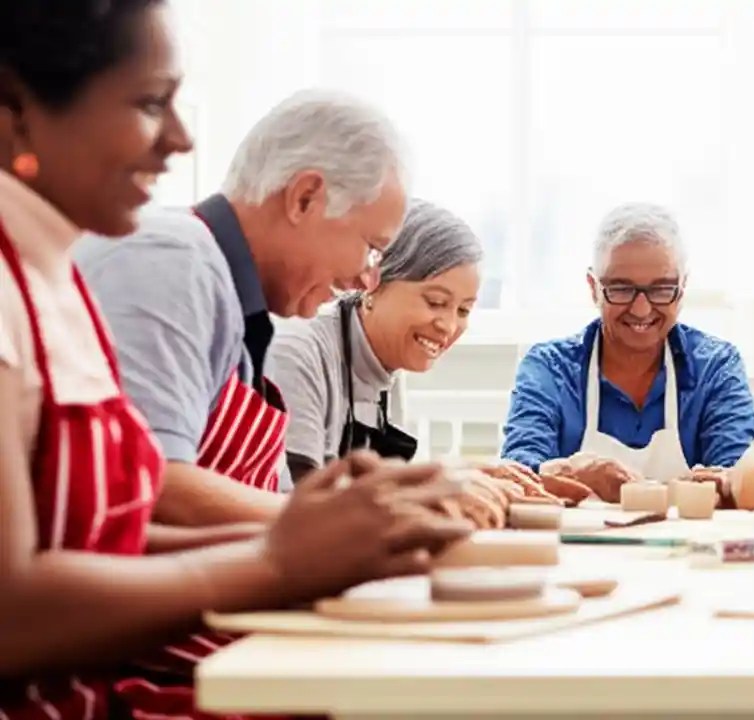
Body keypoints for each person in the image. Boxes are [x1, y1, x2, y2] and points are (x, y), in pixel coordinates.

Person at [0, 4, 471, 720]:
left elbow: (108, 532)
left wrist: (326, 536)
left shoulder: (52, 278)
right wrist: (278, 557)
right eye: (151, 104)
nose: (181, 142)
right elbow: (15, 609)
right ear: (15, 111)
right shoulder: (152, 262)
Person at [74, 88, 408, 521]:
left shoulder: (231, 297)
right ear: (305, 197)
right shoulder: (172, 261)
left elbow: (275, 501)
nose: (367, 279)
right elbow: (153, 483)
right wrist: (359, 517)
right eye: (371, 248)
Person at [500, 202, 754, 502]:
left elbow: (739, 477)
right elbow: (518, 477)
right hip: (578, 547)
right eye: (621, 289)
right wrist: (570, 474)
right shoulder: (548, 368)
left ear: (683, 287)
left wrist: (727, 482)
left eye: (662, 289)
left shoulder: (715, 367)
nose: (641, 309)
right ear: (593, 287)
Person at [268, 199, 482, 477]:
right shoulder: (297, 351)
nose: (449, 326)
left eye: (464, 310)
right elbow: (299, 504)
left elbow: (377, 489)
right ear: (373, 281)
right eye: (435, 302)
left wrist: (468, 478)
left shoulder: (386, 361)